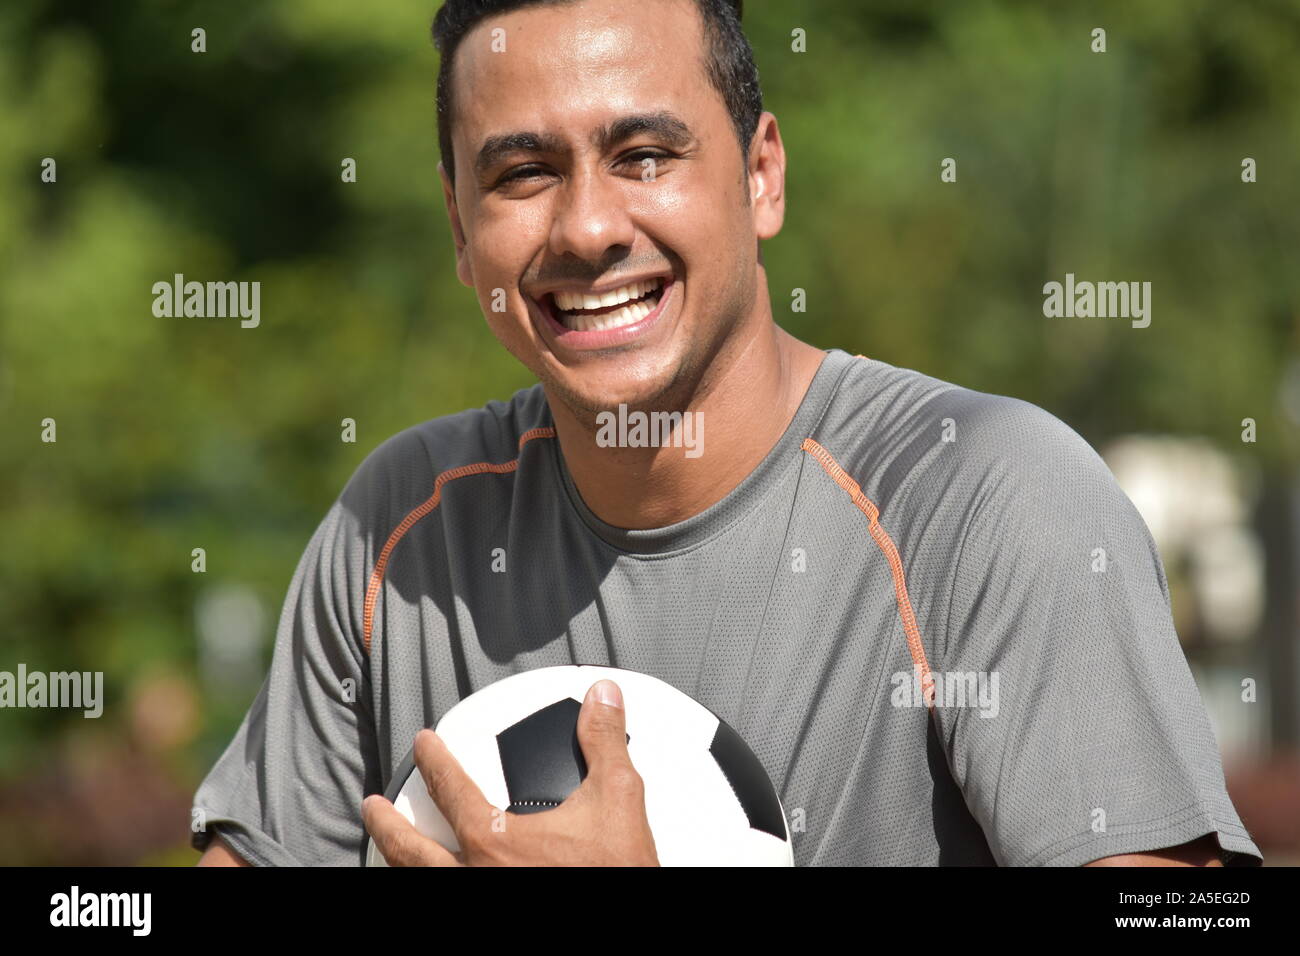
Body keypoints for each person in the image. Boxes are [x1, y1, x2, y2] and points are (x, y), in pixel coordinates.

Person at [194, 0, 1261, 866]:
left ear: (761, 176)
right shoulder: (397, 530)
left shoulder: (990, 496)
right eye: (522, 174)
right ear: (460, 230)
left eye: (644, 154)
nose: (588, 227)